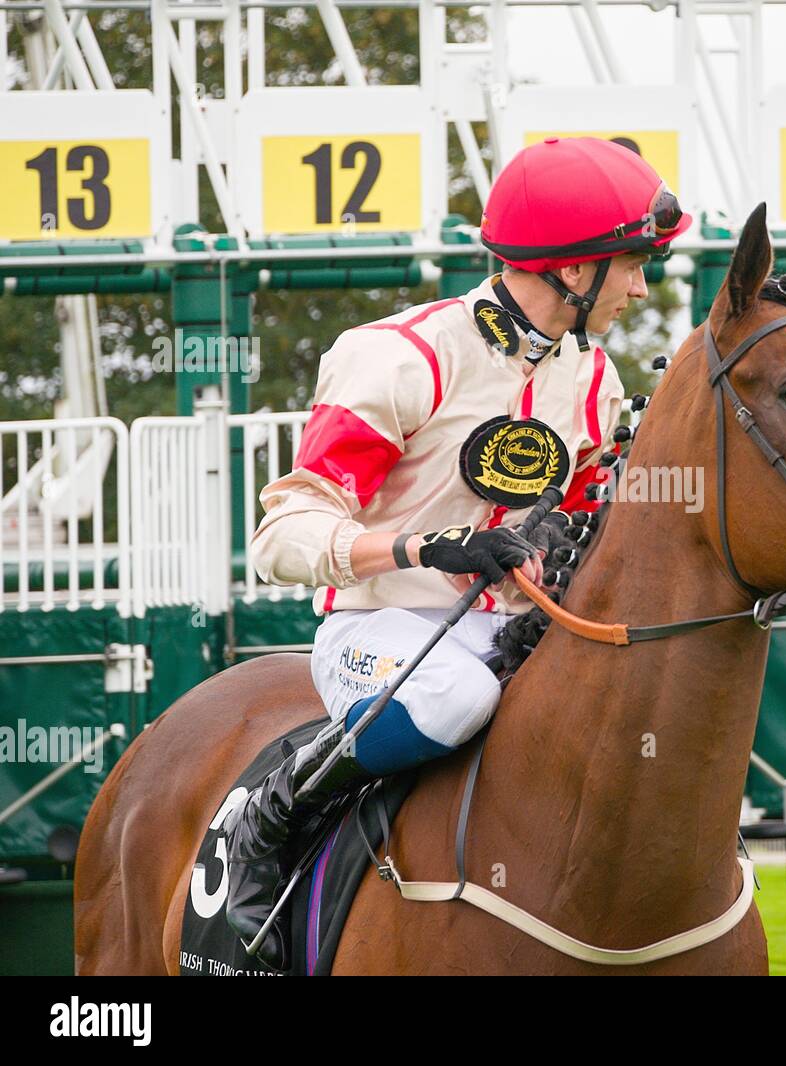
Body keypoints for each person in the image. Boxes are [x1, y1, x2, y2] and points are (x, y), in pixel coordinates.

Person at [221, 136, 691, 967]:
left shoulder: (594, 378)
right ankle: (280, 805)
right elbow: (280, 537)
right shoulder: (402, 357)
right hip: (383, 634)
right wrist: (426, 547)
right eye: (630, 263)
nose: (640, 285)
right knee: (455, 700)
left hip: (513, 632)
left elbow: (580, 516)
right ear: (575, 271)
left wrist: (565, 534)